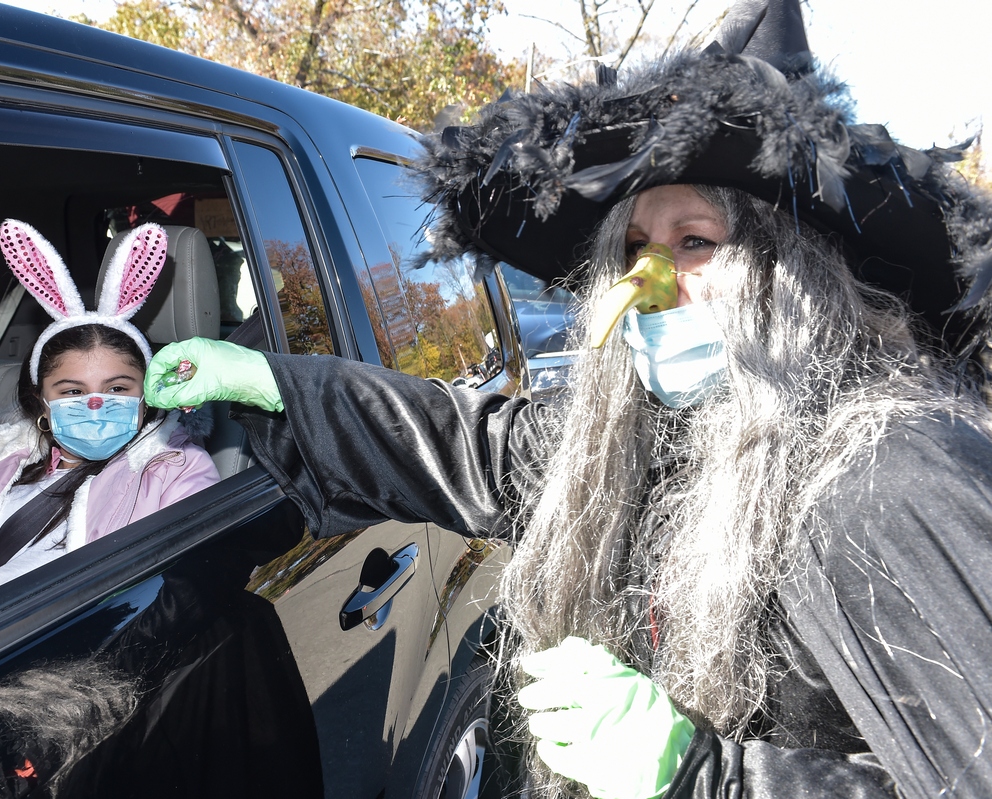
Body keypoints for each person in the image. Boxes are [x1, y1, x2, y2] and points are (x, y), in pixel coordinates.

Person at [144, 1, 992, 797]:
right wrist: (271, 381)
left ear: (794, 272)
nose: (647, 279)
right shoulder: (664, 433)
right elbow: (469, 443)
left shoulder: (887, 479)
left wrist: (706, 776)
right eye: (634, 245)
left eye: (695, 241)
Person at [0, 220, 220, 619]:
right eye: (72, 391)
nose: (95, 405)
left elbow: (182, 590)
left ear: (146, 396)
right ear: (41, 401)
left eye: (117, 388)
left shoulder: (175, 471)